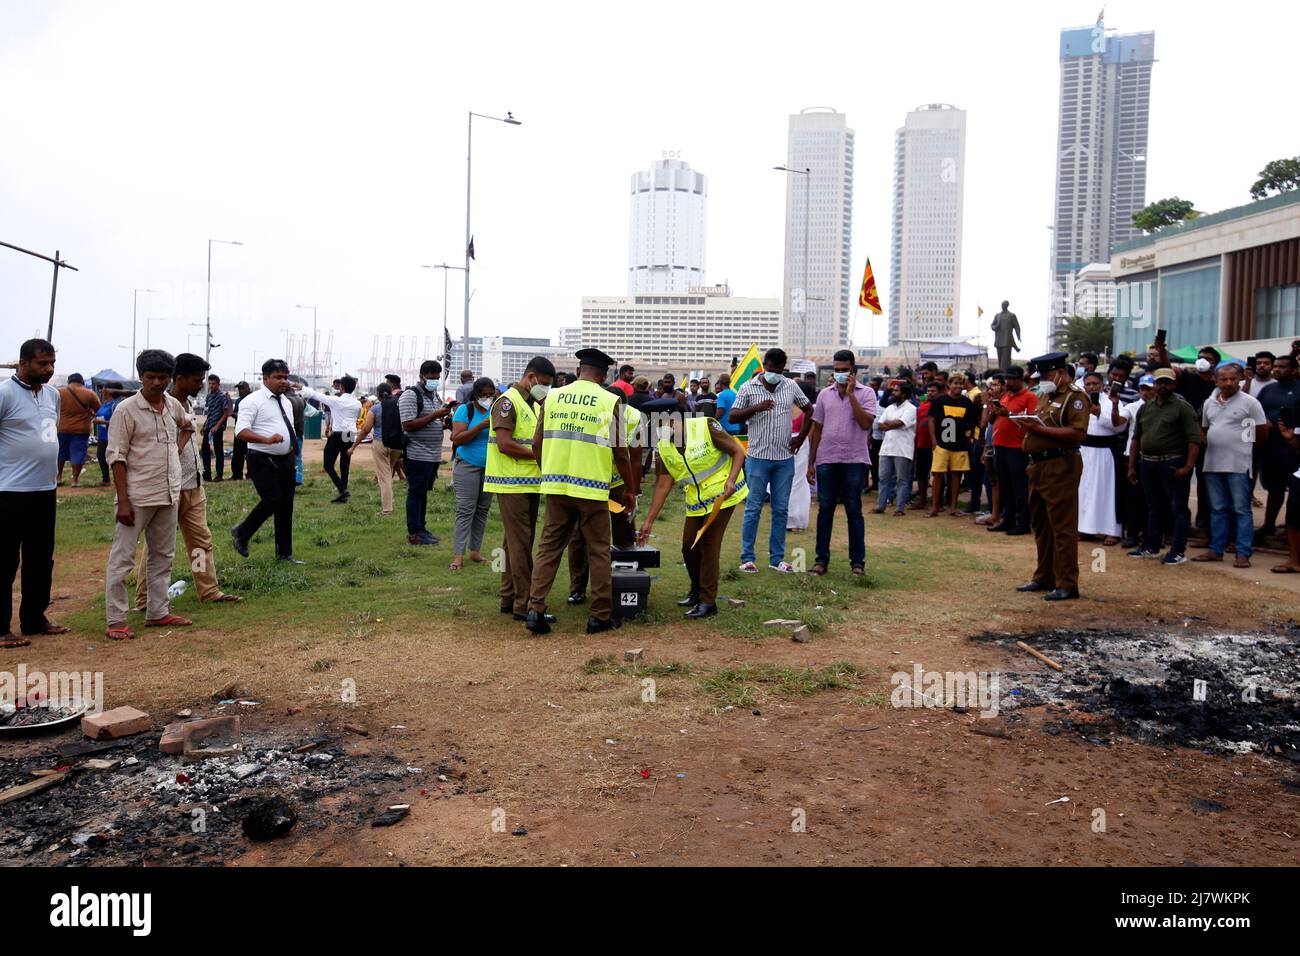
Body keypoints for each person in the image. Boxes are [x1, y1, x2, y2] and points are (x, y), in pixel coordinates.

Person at [523, 348, 635, 635]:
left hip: (556, 486)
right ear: (603, 375)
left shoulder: (553, 397)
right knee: (598, 551)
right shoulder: (611, 401)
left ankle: (535, 610)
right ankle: (599, 616)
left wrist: (545, 469)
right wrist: (630, 489)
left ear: (578, 371)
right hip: (593, 489)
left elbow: (537, 443)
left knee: (549, 548)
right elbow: (621, 454)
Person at [134, 353, 241, 609]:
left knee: (200, 544)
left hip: (194, 485)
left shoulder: (188, 406)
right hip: (168, 488)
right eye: (197, 380)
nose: (200, 385)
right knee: (157, 547)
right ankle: (144, 599)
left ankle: (209, 590)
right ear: (178, 378)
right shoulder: (161, 407)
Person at [104, 349, 192, 639]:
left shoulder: (172, 405)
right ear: (140, 377)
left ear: (170, 378)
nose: (156, 383)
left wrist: (176, 452)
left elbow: (188, 426)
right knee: (123, 561)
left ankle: (158, 612)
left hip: (168, 492)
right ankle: (116, 620)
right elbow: (117, 457)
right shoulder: (125, 410)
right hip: (136, 496)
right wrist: (123, 501)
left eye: (162, 377)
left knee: (163, 556)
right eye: (150, 377)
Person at [637, 401, 748, 619]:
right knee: (688, 546)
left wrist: (732, 480)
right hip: (697, 501)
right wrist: (649, 521)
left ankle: (708, 602)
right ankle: (697, 590)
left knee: (707, 544)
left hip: (723, 496)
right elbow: (663, 483)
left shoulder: (705, 426)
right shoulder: (664, 445)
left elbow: (737, 451)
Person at [1, 339, 70, 640]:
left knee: (41, 558)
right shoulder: (4, 393)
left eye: (52, 363)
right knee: (5, 560)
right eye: (43, 363)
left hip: (44, 490)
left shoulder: (53, 395)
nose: (49, 369)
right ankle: (1, 629)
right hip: (9, 492)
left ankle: (34, 619)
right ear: (23, 363)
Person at [728, 348, 811, 573]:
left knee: (781, 509)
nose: (774, 373)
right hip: (757, 457)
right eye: (770, 369)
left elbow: (809, 410)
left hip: (784, 459)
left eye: (778, 370)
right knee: (753, 508)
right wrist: (756, 407)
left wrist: (800, 439)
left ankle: (777, 559)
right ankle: (748, 557)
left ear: (783, 368)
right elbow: (733, 416)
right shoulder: (749, 387)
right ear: (764, 366)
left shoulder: (790, 386)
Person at [1014, 353, 1090, 601]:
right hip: (1038, 466)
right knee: (1041, 525)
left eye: (1045, 375)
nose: (1042, 379)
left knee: (1062, 527)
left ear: (1059, 372)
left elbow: (1078, 433)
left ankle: (1067, 583)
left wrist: (1039, 429)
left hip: (1060, 465)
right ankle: (1043, 576)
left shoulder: (1075, 397)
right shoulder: (1046, 395)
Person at [485, 357, 555, 619]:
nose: (545, 390)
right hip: (511, 482)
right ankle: (524, 604)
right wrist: (538, 456)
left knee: (511, 543)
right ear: (532, 377)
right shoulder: (507, 402)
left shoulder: (531, 404)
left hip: (528, 482)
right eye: (544, 384)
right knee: (521, 544)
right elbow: (504, 444)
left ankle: (508, 597)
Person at [567, 386, 643, 605]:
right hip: (589, 480)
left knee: (624, 531)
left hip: (618, 482)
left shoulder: (635, 417)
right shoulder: (592, 412)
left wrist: (633, 490)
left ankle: (625, 582)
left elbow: (635, 458)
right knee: (580, 535)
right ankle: (577, 588)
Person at [807, 350, 876, 575]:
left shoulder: (867, 394)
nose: (839, 373)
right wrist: (811, 462)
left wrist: (851, 395)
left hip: (854, 460)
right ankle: (821, 560)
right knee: (824, 510)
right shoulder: (824, 395)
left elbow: (866, 424)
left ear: (853, 370)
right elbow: (816, 429)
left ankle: (857, 563)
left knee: (854, 511)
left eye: (844, 370)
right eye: (836, 370)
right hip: (827, 459)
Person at [1193, 363, 1266, 568]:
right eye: (1223, 379)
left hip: (1239, 464)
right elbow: (1204, 430)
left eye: (1233, 379)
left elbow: (1261, 433)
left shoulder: (1250, 403)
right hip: (1213, 463)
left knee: (1241, 509)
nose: (1228, 383)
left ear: (1240, 379)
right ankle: (1216, 550)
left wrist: (1243, 446)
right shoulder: (1210, 403)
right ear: (1216, 381)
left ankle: (1243, 553)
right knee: (1217, 508)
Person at [231, 359, 303, 564]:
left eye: (285, 377)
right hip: (262, 458)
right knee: (273, 500)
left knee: (286, 505)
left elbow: (290, 429)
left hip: (286, 459)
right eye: (278, 377)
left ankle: (284, 553)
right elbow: (240, 431)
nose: (283, 381)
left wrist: (293, 455)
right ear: (265, 378)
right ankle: (242, 533)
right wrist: (266, 440)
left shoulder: (287, 402)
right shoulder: (252, 401)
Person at [1127, 368, 1201, 565]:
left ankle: (1178, 550)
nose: (1163, 386)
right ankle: (1152, 546)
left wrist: (1188, 466)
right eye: (1160, 382)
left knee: (1178, 508)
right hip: (1148, 462)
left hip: (1173, 463)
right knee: (1154, 506)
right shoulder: (1146, 407)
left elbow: (1194, 440)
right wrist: (1132, 466)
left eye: (1167, 382)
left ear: (1174, 385)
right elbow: (1136, 438)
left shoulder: (1182, 407)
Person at [400, 360, 453, 545]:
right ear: (422, 376)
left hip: (432, 455)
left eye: (437, 378)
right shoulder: (410, 395)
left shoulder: (433, 396)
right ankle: (414, 532)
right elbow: (408, 425)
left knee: (423, 492)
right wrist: (435, 416)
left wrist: (444, 422)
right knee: (416, 492)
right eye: (431, 378)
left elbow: (430, 422)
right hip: (417, 454)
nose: (434, 381)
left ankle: (421, 528)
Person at [449, 376, 496, 570]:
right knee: (465, 510)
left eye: (490, 394)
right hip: (467, 465)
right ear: (475, 395)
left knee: (482, 510)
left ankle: (475, 551)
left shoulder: (496, 410)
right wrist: (479, 427)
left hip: (491, 467)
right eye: (483, 395)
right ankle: (458, 555)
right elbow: (457, 438)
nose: (487, 398)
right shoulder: (464, 410)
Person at [985, 365, 1035, 534]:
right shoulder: (1005, 395)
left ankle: (1022, 523)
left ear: (1021, 379)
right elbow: (991, 421)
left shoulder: (1029, 397)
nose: (1009, 382)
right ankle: (1008, 519)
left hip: (1016, 447)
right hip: (1000, 445)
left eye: (1012, 379)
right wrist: (994, 409)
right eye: (1008, 379)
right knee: (1005, 485)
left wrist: (1009, 414)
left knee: (1019, 487)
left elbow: (1031, 421)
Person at [298, 375, 362, 503]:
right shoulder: (357, 403)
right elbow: (358, 415)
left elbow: (316, 395)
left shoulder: (336, 401)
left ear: (341, 388)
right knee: (345, 464)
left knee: (328, 465)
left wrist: (302, 387)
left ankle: (342, 490)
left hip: (338, 433)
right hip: (350, 433)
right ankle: (343, 491)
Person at [1257, 353, 1300, 543]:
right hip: (1270, 447)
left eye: (1282, 367)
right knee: (1274, 489)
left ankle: (1292, 529)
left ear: (1293, 370)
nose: (1277, 369)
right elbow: (1257, 410)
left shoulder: (1299, 390)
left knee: (1296, 491)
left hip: (1293, 447)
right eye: (1276, 366)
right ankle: (1268, 525)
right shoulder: (1268, 390)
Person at [1077, 371, 1124, 544]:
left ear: (1102, 385)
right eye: (1088, 384)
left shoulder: (1111, 401)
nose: (1091, 387)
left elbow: (1118, 427)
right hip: (1084, 450)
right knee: (1084, 490)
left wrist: (1098, 414)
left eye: (1094, 383)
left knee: (1105, 491)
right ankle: (1085, 528)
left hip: (1105, 452)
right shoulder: (1079, 401)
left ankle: (1111, 530)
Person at [925, 374, 976, 517]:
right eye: (955, 383)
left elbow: (972, 422)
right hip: (941, 444)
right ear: (949, 385)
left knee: (956, 476)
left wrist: (969, 436)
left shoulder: (967, 402)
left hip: (959, 445)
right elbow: (931, 420)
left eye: (961, 384)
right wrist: (934, 440)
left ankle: (953, 507)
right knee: (938, 476)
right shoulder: (940, 401)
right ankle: (935, 507)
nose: (958, 386)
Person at [350, 382, 401, 516]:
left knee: (384, 477)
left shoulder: (375, 409)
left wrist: (354, 446)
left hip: (380, 443)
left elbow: (366, 429)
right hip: (397, 445)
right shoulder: (399, 406)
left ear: (378, 395)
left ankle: (387, 510)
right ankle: (389, 501)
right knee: (388, 473)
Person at [874, 381, 917, 515]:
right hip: (887, 448)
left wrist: (890, 423)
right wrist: (893, 424)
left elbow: (900, 423)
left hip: (903, 449)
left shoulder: (911, 408)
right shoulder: (890, 408)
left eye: (896, 391)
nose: (893, 393)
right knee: (883, 479)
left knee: (901, 480)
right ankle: (880, 506)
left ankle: (899, 509)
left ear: (903, 394)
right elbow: (879, 425)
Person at [56, 372, 100, 487]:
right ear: (82, 382)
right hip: (81, 429)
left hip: (61, 427)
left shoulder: (59, 392)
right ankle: (75, 480)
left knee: (60, 453)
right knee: (78, 453)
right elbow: (98, 408)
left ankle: (58, 477)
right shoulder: (89, 394)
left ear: (69, 382)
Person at [787, 380, 816, 533]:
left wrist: (811, 458)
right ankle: (787, 517)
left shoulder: (808, 410)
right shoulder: (786, 406)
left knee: (798, 482)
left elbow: (810, 434)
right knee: (786, 481)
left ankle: (795, 519)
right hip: (784, 445)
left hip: (801, 446)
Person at [200, 374, 232, 482]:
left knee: (218, 450)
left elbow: (226, 413)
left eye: (213, 384)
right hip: (209, 427)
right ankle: (207, 473)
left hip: (217, 428)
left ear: (218, 384)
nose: (211, 386)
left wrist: (217, 426)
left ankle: (219, 475)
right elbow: (209, 412)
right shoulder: (209, 396)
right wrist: (205, 426)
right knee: (205, 449)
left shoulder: (222, 397)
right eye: (209, 383)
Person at [94, 382, 125, 486]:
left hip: (113, 436)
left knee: (116, 459)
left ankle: (120, 480)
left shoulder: (117, 405)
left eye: (104, 389)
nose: (102, 390)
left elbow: (118, 421)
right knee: (101, 456)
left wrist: (102, 422)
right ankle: (106, 479)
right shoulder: (105, 403)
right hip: (102, 435)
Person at [229, 381, 252, 480]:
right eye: (239, 389)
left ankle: (250, 474)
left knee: (250, 453)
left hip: (250, 431)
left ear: (248, 389)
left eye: (242, 388)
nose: (240, 391)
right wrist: (233, 414)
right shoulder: (238, 401)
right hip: (239, 431)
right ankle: (237, 475)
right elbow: (235, 412)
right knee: (237, 454)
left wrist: (240, 416)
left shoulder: (252, 399)